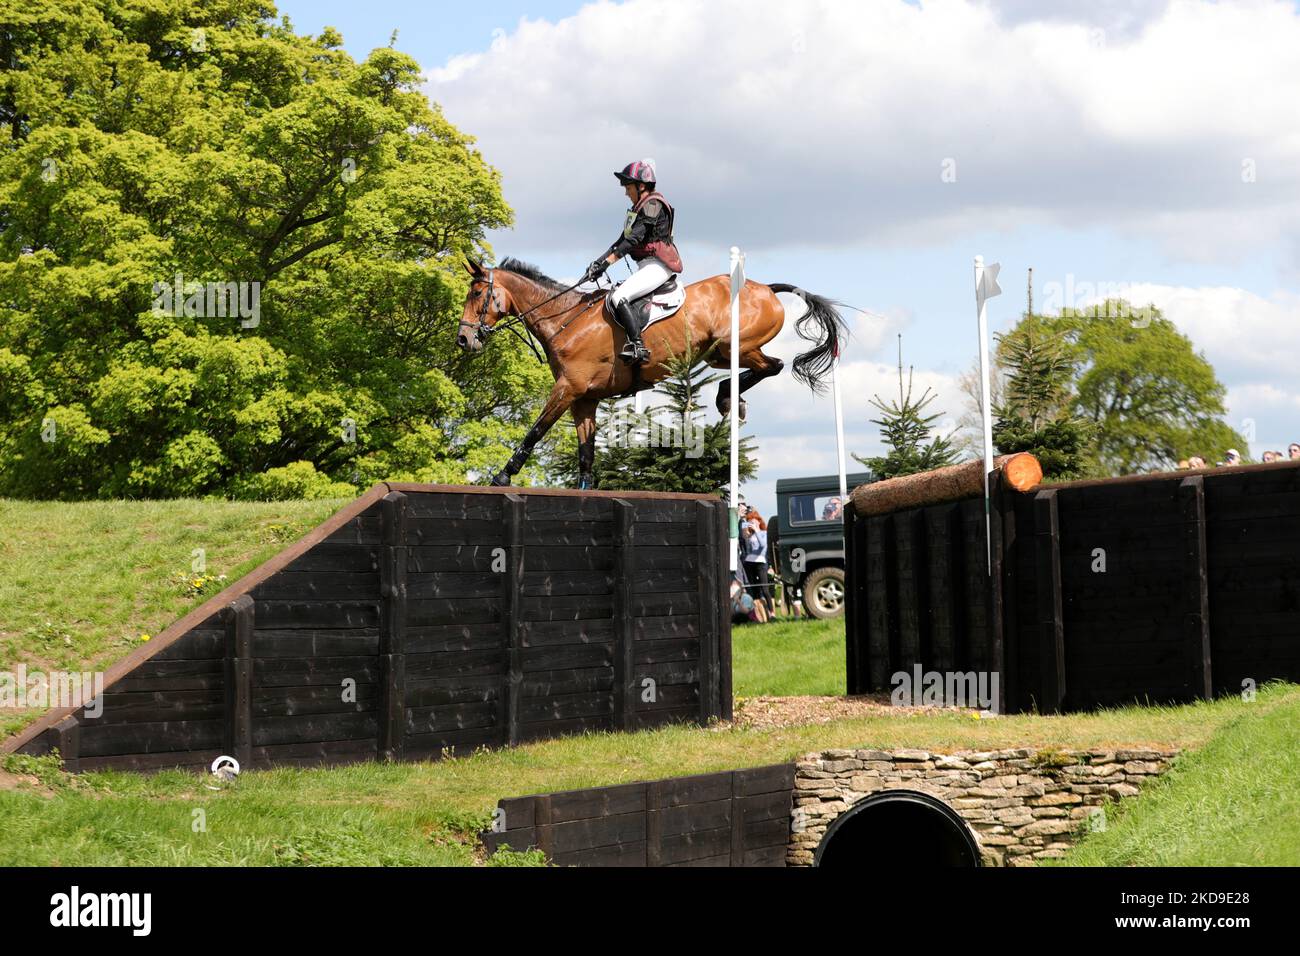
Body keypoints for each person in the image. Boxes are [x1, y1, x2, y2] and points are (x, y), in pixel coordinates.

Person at [582, 159, 683, 365]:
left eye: (628, 187)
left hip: (659, 266)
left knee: (619, 297)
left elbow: (634, 240)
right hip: (646, 265)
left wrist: (608, 263)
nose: (626, 193)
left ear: (641, 186)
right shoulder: (638, 208)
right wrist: (598, 264)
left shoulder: (653, 205)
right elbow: (620, 242)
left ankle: (638, 346)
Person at [740, 508, 775, 619]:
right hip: (749, 563)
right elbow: (746, 546)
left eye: (754, 521)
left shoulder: (764, 533)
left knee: (765, 589)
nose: (752, 524)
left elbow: (763, 545)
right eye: (750, 522)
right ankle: (759, 616)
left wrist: (757, 530)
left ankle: (772, 614)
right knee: (754, 590)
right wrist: (745, 531)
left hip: (760, 562)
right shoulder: (750, 535)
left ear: (759, 521)